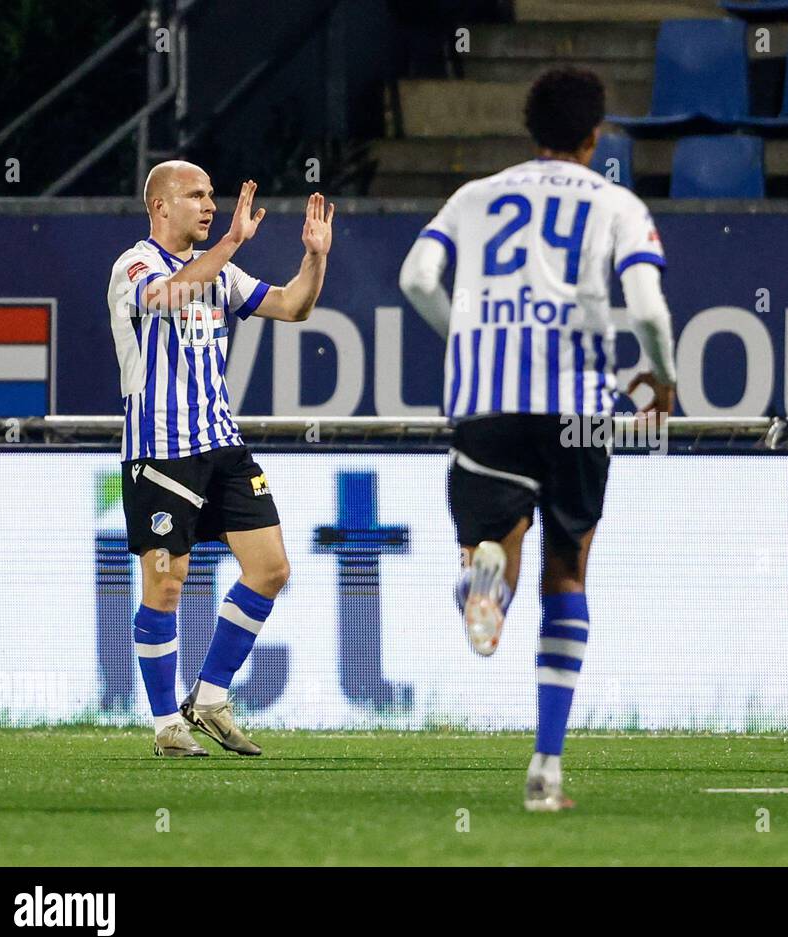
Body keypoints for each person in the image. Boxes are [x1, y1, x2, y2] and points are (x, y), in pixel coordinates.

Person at [399, 68, 676, 809]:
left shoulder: (473, 196)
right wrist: (662, 374)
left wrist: (467, 335)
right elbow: (647, 304)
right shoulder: (615, 202)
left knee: (496, 539)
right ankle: (546, 769)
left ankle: (483, 574)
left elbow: (418, 277)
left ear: (531, 130)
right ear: (595, 137)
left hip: (487, 402)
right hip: (579, 407)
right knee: (569, 574)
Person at [107, 161, 333, 757]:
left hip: (223, 446)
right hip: (161, 453)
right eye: (195, 196)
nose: (209, 206)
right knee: (166, 582)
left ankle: (208, 698)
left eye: (212, 196)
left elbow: (293, 307)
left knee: (271, 568)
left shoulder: (222, 273)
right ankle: (165, 726)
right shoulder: (135, 265)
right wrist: (233, 239)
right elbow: (165, 296)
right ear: (159, 206)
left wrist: (315, 256)